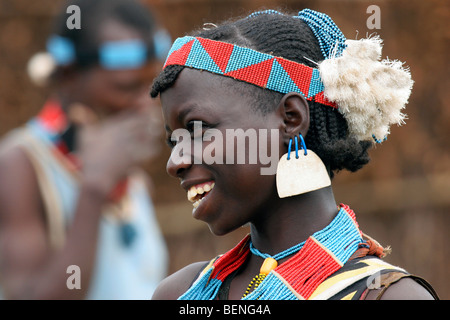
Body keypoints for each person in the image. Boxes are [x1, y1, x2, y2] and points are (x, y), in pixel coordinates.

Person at [149, 9, 439, 300]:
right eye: (174, 141)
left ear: (290, 118)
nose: (175, 162)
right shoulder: (184, 292)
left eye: (198, 129)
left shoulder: (386, 295)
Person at [0, 0, 170, 299]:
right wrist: (93, 189)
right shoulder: (20, 164)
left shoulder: (127, 173)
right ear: (68, 75)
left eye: (151, 88)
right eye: (126, 87)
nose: (145, 105)